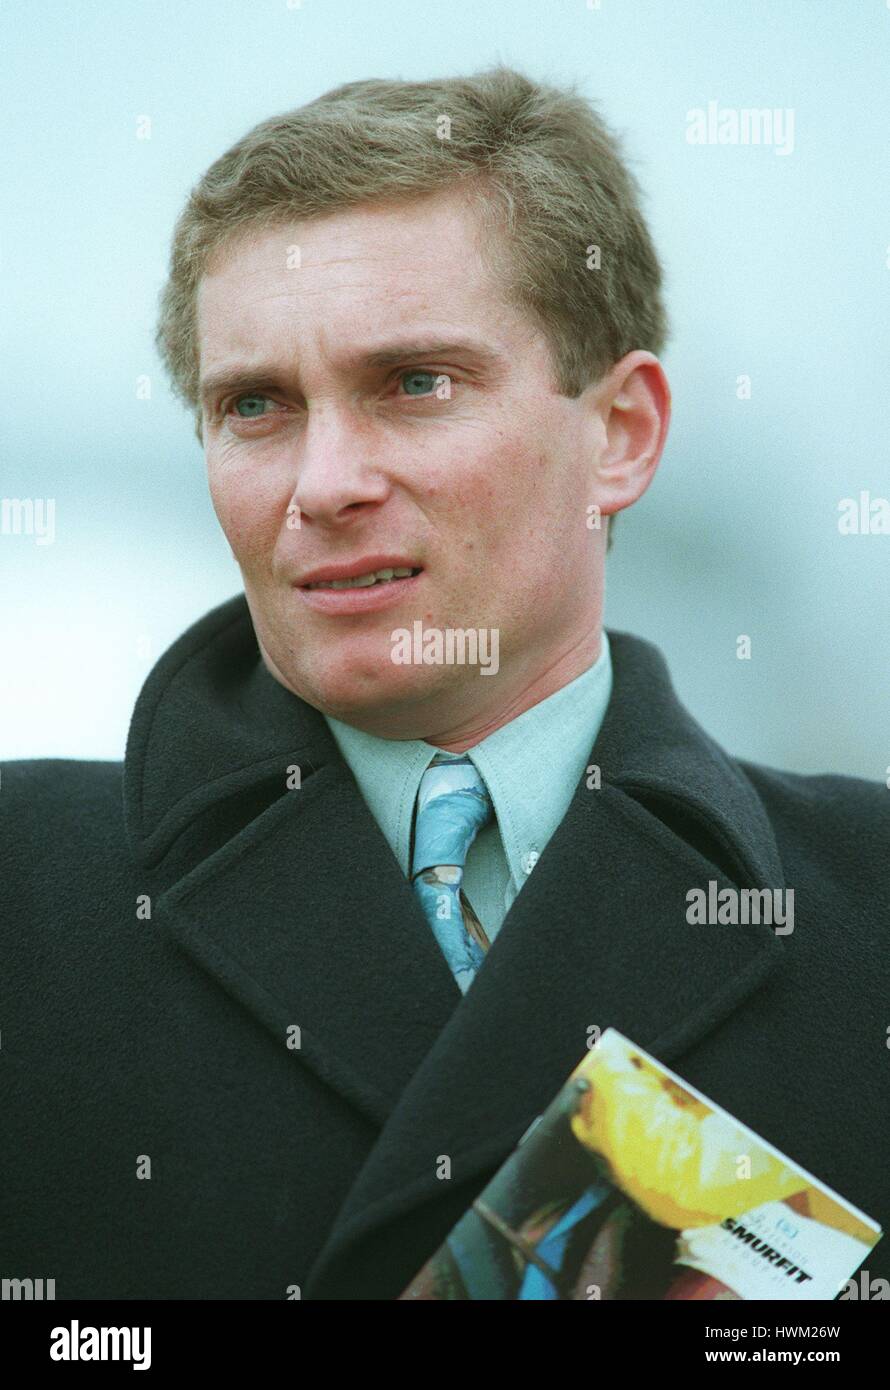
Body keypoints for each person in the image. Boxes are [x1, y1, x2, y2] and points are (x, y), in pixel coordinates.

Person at [1, 67, 887, 1302]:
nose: (323, 482)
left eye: (413, 384)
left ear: (620, 432)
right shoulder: (24, 897)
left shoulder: (866, 914)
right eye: (255, 405)